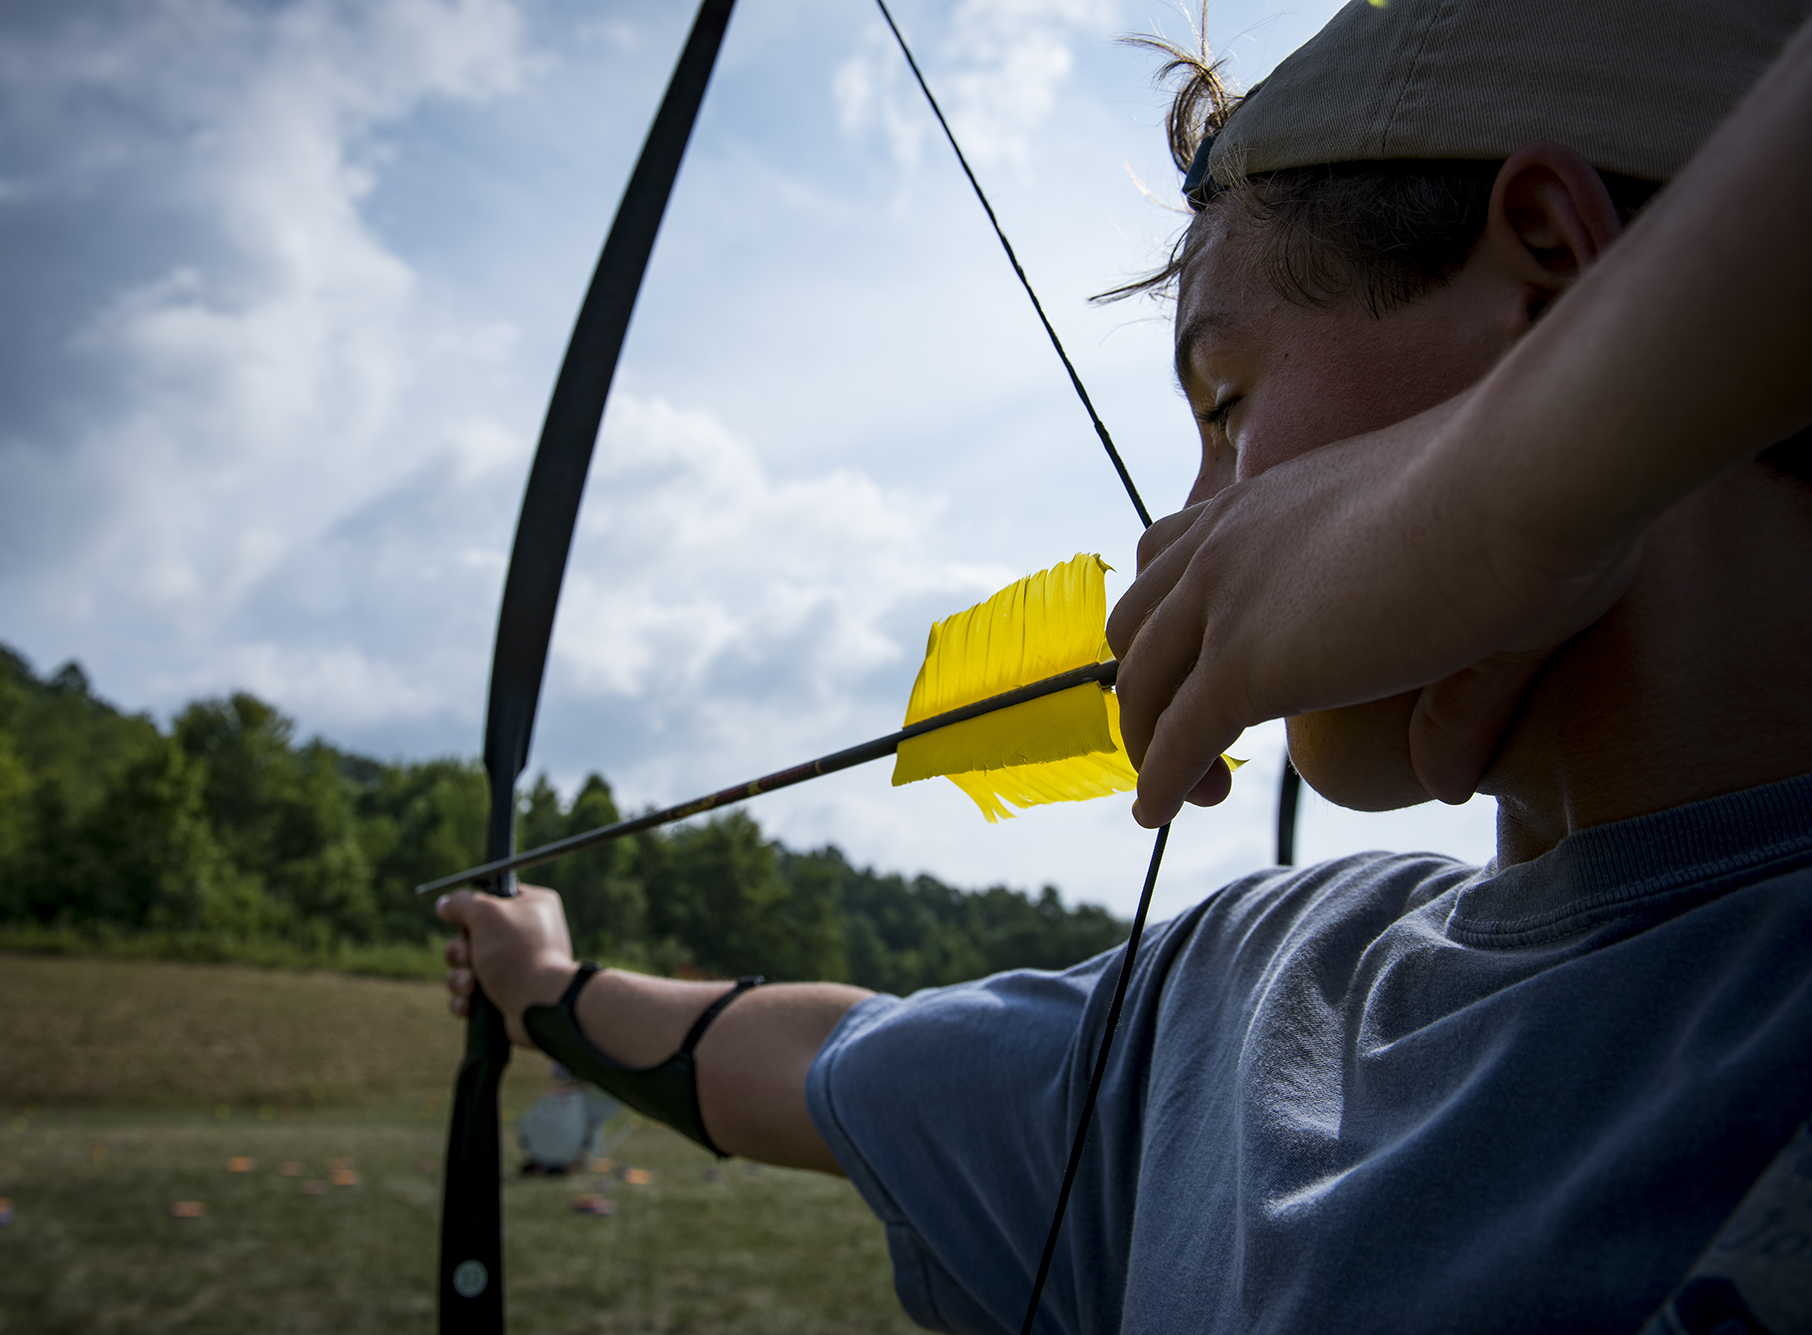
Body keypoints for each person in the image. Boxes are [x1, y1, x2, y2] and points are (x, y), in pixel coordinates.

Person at [439, 1, 1812, 1329]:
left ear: (1552, 280)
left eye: (1225, 404)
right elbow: (819, 1061)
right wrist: (543, 986)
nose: (1178, 530)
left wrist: (1495, 495)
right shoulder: (1263, 995)